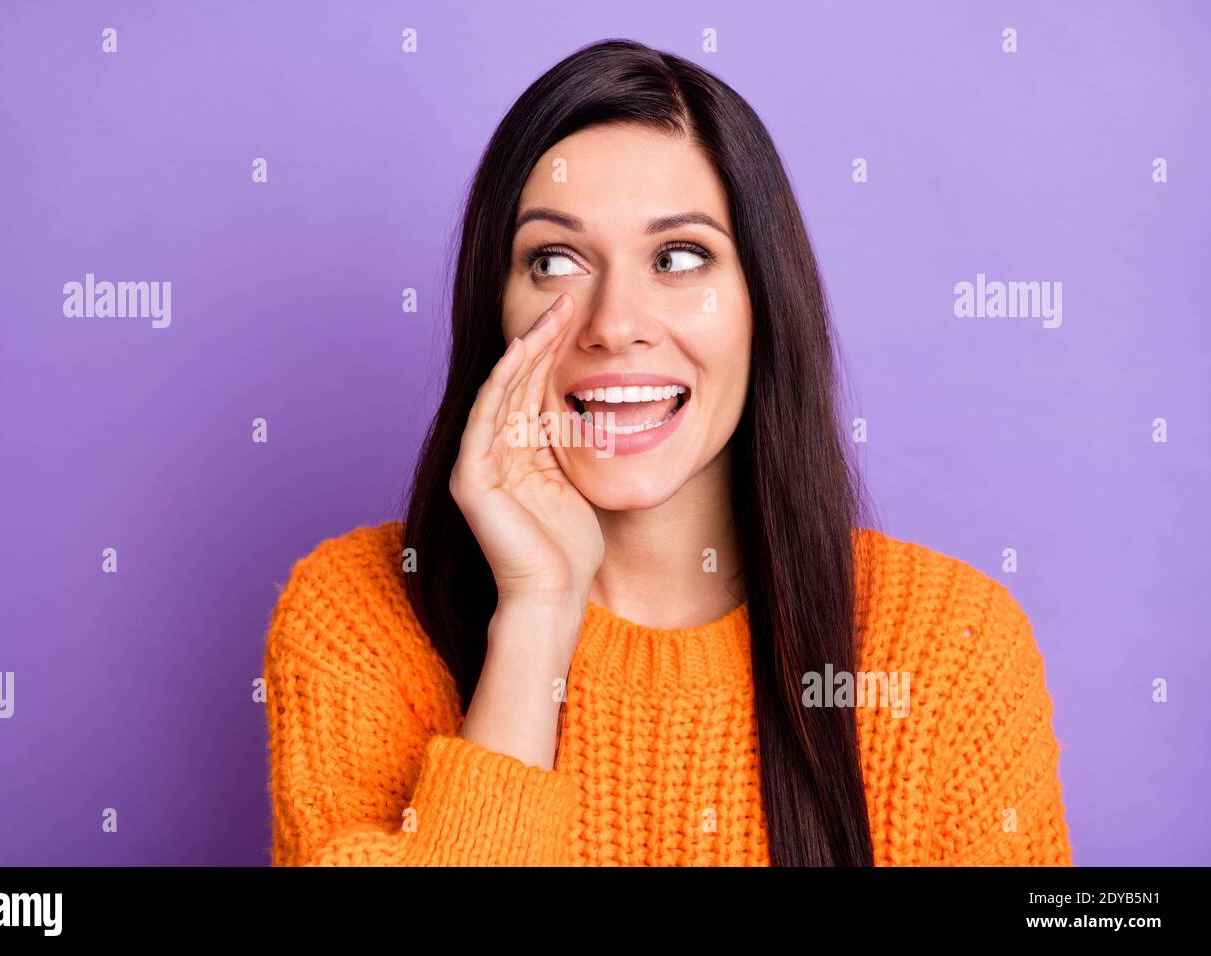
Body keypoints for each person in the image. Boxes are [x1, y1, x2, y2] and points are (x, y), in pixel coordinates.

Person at [263, 38, 1072, 867]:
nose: (615, 323)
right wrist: (537, 616)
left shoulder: (952, 650)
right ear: (495, 309)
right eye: (554, 260)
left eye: (679, 258)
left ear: (763, 303)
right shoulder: (359, 619)